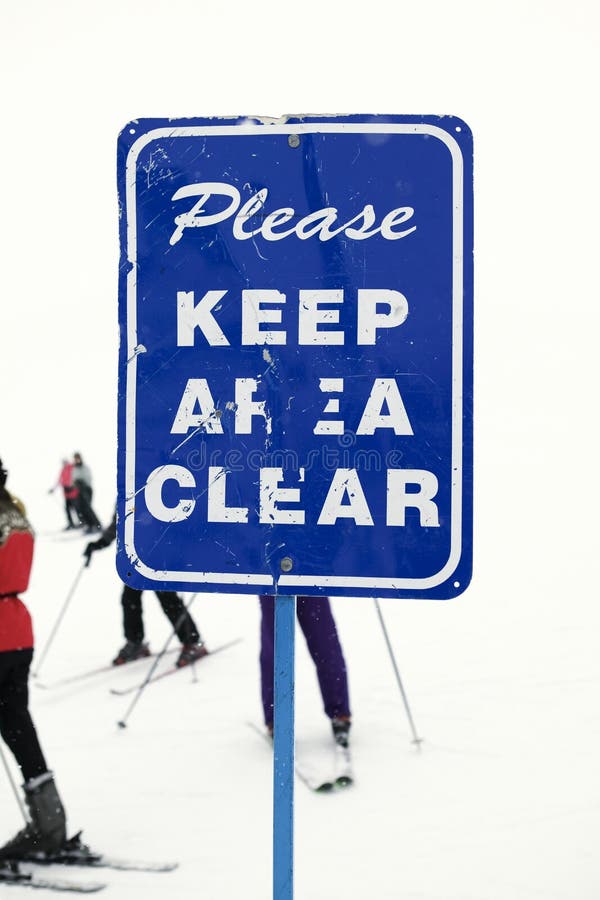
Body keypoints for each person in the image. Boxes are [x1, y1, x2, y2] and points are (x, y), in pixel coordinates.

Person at [0, 458, 69, 860]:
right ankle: (50, 825)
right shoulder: (16, 513)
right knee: (18, 728)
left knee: (16, 726)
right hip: (16, 632)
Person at [84, 509, 208, 668]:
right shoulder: (127, 493)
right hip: (139, 555)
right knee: (130, 598)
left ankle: (193, 642)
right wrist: (101, 542)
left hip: (163, 553)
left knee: (168, 599)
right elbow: (120, 520)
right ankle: (135, 642)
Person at [259, 594, 352, 747]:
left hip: (310, 581)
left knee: (325, 642)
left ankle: (339, 712)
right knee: (274, 647)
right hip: (273, 583)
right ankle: (276, 721)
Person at [71, 452, 101, 534]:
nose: (77, 460)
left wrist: (81, 483)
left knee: (87, 508)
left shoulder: (85, 467)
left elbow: (88, 478)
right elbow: (73, 479)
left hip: (87, 490)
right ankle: (89, 525)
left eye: (78, 458)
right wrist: (75, 484)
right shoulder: (75, 469)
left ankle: (97, 525)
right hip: (79, 490)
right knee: (80, 508)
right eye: (75, 458)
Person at [48, 459, 81, 530]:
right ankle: (71, 523)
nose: (64, 464)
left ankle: (81, 522)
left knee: (77, 508)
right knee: (67, 509)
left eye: (65, 462)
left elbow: (75, 478)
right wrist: (53, 489)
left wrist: (72, 486)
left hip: (74, 493)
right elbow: (59, 481)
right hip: (66, 494)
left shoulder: (72, 468)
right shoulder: (63, 470)